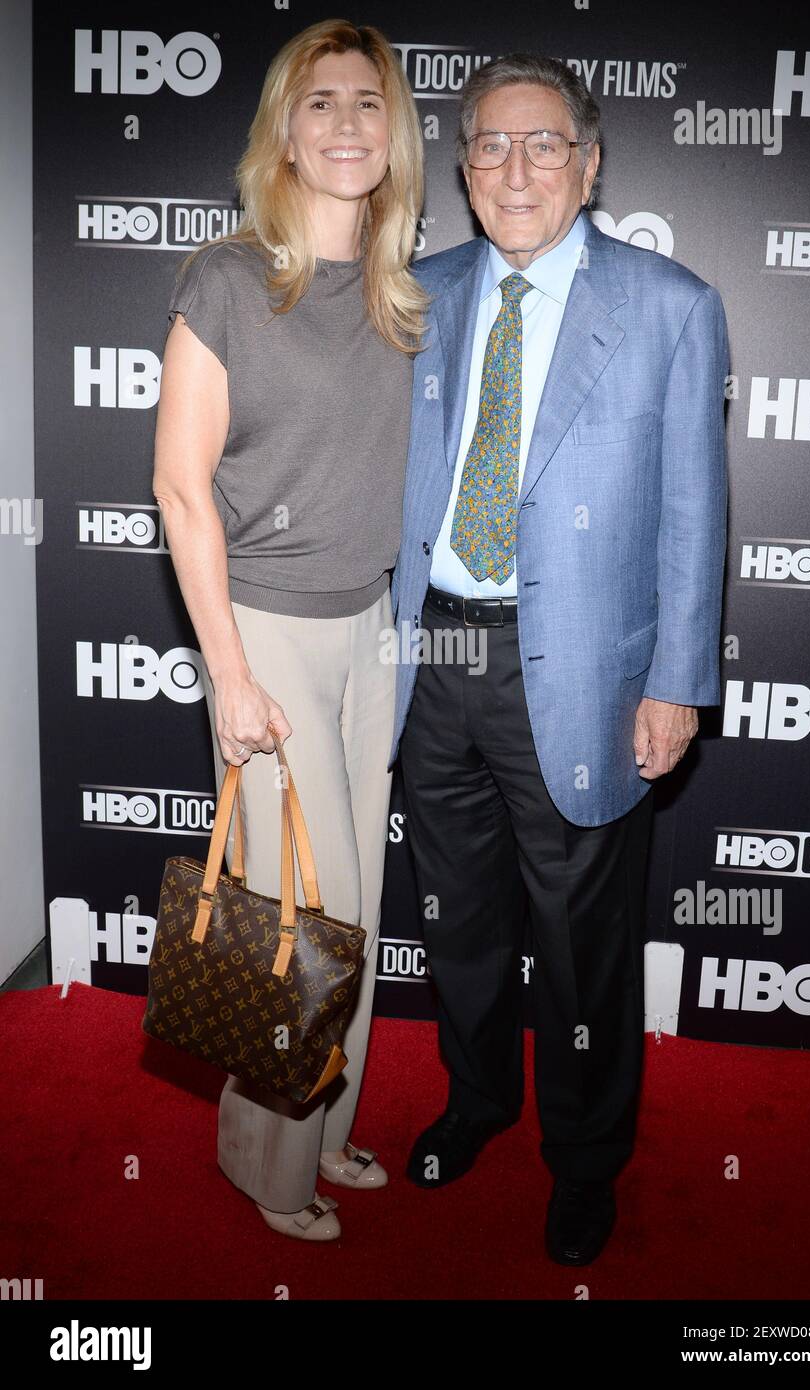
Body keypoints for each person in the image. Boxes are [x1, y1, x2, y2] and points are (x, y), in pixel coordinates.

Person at [390, 53, 729, 1264]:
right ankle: (478, 1099)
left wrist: (679, 682)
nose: (514, 167)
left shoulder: (670, 306)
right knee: (459, 921)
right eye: (488, 145)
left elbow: (694, 510)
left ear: (588, 165)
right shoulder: (415, 296)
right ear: (463, 168)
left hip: (584, 678)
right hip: (428, 661)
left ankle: (584, 1158)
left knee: (583, 947)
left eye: (543, 144)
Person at [152, 19, 426, 1242]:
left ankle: (325, 1122)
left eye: (367, 102)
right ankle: (271, 1169)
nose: (346, 124)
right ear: (283, 128)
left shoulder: (409, 284)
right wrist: (228, 672)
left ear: (395, 128)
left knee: (340, 916)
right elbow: (178, 486)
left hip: (376, 631)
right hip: (266, 635)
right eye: (319, 102)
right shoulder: (225, 276)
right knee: (294, 925)